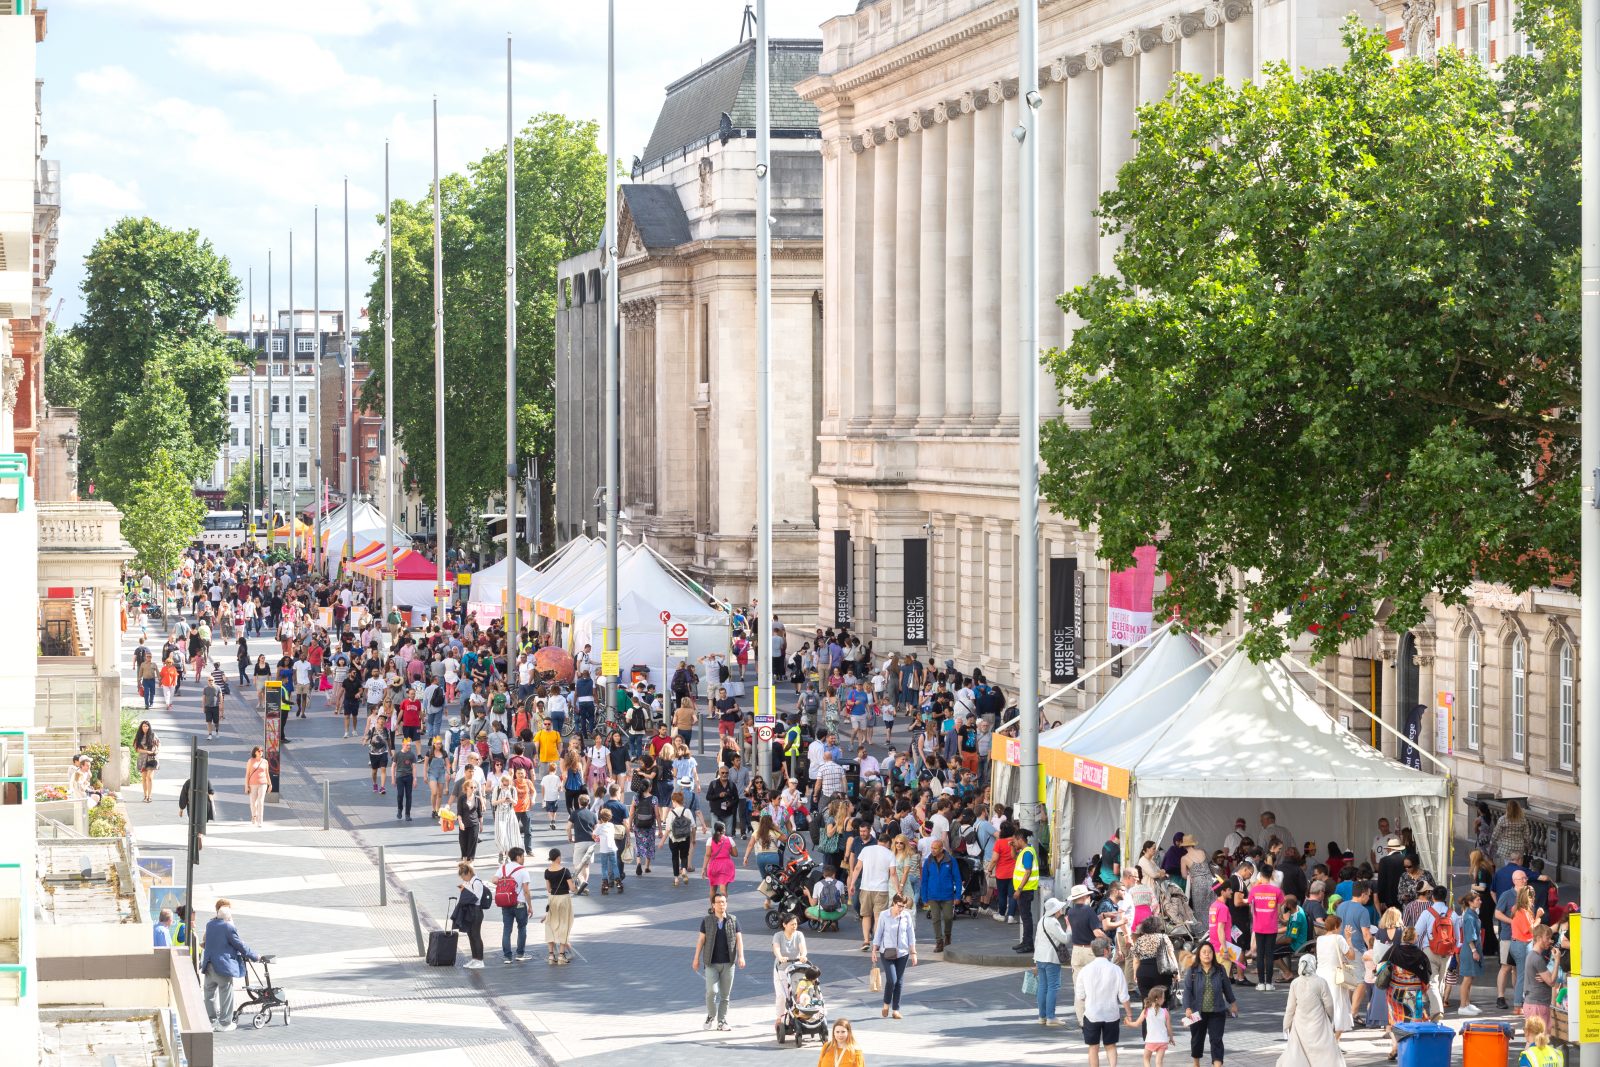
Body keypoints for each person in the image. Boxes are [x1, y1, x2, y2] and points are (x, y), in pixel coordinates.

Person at [199, 898, 259, 1032]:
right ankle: (225, 1023)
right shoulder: (228, 927)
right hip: (223, 966)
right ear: (228, 917)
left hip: (209, 964)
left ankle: (211, 1022)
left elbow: (206, 941)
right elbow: (239, 945)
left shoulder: (210, 924)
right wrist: (255, 956)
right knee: (226, 994)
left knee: (209, 995)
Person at [1278, 954, 1345, 1067]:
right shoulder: (1321, 982)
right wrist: (1330, 1017)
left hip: (1300, 1022)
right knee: (1323, 1048)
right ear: (1314, 965)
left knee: (1300, 1049)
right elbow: (1329, 1004)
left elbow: (1290, 1007)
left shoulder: (1295, 983)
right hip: (1319, 1021)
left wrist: (1286, 1025)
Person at [693, 893, 745, 1031]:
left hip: (729, 963)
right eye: (718, 902)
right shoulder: (707, 921)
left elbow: (739, 939)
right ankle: (711, 1015)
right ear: (713, 905)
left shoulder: (733, 920)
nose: (721, 904)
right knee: (712, 991)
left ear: (726, 904)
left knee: (725, 995)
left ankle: (722, 1021)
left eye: (723, 902)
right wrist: (696, 958)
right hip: (711, 963)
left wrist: (741, 956)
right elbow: (701, 940)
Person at [1080, 936, 1134, 1067]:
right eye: (1110, 948)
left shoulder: (1085, 970)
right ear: (1105, 951)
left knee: (1093, 1047)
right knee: (1110, 1045)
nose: (1111, 950)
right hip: (1111, 1013)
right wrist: (1129, 1014)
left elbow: (1080, 995)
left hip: (1092, 1013)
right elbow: (1124, 996)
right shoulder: (1116, 970)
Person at [1184, 941, 1239, 1067]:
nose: (1207, 954)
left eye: (1209, 952)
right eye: (1204, 952)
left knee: (1216, 1040)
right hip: (1197, 1012)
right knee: (1197, 1039)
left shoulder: (1220, 969)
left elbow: (1227, 988)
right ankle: (1196, 1063)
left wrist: (1233, 1003)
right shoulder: (1192, 970)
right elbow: (1187, 990)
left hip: (1217, 1011)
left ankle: (1217, 1064)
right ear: (1199, 954)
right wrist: (1187, 1008)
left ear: (1213, 954)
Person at [871, 893, 918, 1020]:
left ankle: (896, 1010)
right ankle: (886, 1004)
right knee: (892, 980)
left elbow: (911, 935)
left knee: (899, 981)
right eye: (899, 906)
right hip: (887, 952)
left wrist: (913, 953)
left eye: (903, 906)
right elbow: (878, 933)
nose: (901, 909)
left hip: (903, 953)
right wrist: (874, 950)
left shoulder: (906, 916)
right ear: (893, 903)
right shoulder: (884, 915)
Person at [849, 830, 895, 953]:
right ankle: (876, 942)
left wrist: (852, 884)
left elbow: (857, 868)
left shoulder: (866, 850)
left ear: (878, 841)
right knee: (878, 916)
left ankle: (865, 940)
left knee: (866, 915)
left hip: (866, 887)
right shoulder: (890, 854)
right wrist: (898, 890)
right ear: (888, 843)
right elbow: (893, 874)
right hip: (882, 889)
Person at [1313, 913, 1356, 1036]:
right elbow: (1351, 956)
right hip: (1335, 976)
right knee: (1338, 1005)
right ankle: (1335, 1039)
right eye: (1340, 926)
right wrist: (1349, 939)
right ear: (1336, 926)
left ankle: (1324, 1034)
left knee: (1323, 1005)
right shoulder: (1339, 938)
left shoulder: (1320, 939)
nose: (1341, 929)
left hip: (1320, 975)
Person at [921, 835, 963, 952]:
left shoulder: (951, 860)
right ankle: (939, 941)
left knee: (948, 917)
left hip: (947, 895)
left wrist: (958, 895)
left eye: (935, 848)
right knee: (935, 919)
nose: (932, 850)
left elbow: (957, 879)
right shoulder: (928, 861)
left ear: (941, 849)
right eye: (931, 848)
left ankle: (947, 935)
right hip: (933, 895)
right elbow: (924, 880)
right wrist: (924, 897)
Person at [1033, 897, 1070, 1026]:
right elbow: (1065, 939)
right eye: (1060, 908)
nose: (1061, 910)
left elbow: (1037, 940)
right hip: (1051, 958)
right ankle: (1051, 1017)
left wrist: (1034, 960)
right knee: (1053, 987)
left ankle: (1042, 1016)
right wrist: (1069, 928)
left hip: (1040, 957)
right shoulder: (1053, 922)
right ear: (1056, 910)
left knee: (1043, 986)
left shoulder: (1042, 920)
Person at [1249, 864, 1286, 991]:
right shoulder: (1277, 891)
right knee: (1269, 954)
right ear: (1271, 875)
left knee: (1260, 954)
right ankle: (1269, 983)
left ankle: (1260, 983)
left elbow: (1250, 904)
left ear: (1260, 875)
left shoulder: (1254, 890)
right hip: (1272, 926)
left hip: (1258, 926)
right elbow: (1280, 908)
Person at [772, 911, 810, 1029]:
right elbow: (776, 948)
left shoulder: (799, 935)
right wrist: (780, 957)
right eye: (792, 924)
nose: (794, 926)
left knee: (798, 994)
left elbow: (803, 948)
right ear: (784, 925)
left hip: (796, 969)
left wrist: (803, 955)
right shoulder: (778, 936)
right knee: (782, 996)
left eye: (795, 924)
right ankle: (779, 1018)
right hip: (781, 969)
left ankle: (799, 1016)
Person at [453, 861, 488, 969]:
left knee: (476, 935)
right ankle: (474, 958)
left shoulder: (476, 882)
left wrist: (465, 892)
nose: (463, 879)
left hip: (476, 911)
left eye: (464, 877)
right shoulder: (467, 883)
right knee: (470, 935)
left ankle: (480, 960)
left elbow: (476, 898)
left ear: (468, 873)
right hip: (469, 910)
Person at [1521, 924, 1557, 1027]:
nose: (1550, 941)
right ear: (1539, 938)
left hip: (1535, 1004)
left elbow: (1548, 978)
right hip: (1537, 1005)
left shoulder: (1532, 956)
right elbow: (1551, 981)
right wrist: (1557, 960)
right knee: (1539, 1036)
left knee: (1534, 1036)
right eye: (1547, 938)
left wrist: (1546, 977)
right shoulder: (1537, 958)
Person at [1456, 890, 1485, 1015]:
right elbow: (1469, 936)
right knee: (1467, 978)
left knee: (1470, 978)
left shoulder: (1472, 914)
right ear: (1470, 902)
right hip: (1469, 951)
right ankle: (1462, 1006)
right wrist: (1474, 951)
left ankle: (1467, 1004)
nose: (1480, 901)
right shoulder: (1469, 916)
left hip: (1472, 950)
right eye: (1478, 900)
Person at [543, 847, 575, 965]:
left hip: (552, 899)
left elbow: (548, 889)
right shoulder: (565, 870)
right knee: (564, 925)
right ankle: (561, 955)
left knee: (550, 924)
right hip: (564, 899)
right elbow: (572, 888)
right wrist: (575, 884)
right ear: (558, 857)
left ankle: (551, 955)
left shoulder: (547, 871)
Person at [1488, 800, 1533, 867]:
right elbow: (1526, 836)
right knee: (1518, 866)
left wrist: (1491, 844)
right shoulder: (1523, 820)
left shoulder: (1502, 819)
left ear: (1507, 808)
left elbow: (1495, 834)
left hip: (1507, 848)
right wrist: (1529, 847)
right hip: (1519, 847)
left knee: (1508, 866)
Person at [703, 822, 737, 902]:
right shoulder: (729, 839)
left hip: (713, 866)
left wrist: (704, 868)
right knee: (723, 889)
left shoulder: (710, 840)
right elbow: (735, 854)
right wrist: (727, 850)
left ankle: (713, 906)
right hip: (726, 866)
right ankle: (723, 906)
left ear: (714, 829)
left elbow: (707, 855)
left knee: (713, 889)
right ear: (724, 830)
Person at [134, 722, 160, 804]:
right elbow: (137, 749)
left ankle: (150, 796)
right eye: (143, 726)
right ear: (141, 727)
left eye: (146, 726)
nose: (145, 727)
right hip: (142, 759)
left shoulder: (153, 735)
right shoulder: (139, 736)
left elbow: (158, 744)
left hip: (152, 759)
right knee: (144, 778)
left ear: (149, 727)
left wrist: (157, 750)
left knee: (149, 777)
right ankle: (145, 796)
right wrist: (147, 751)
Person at [244, 745, 270, 828]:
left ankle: (260, 821)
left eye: (262, 751)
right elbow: (247, 774)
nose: (261, 752)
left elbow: (267, 773)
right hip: (252, 784)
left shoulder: (265, 762)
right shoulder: (250, 761)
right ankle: (254, 816)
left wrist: (270, 784)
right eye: (259, 751)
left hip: (263, 783)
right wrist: (246, 786)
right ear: (255, 752)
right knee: (253, 803)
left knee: (260, 802)